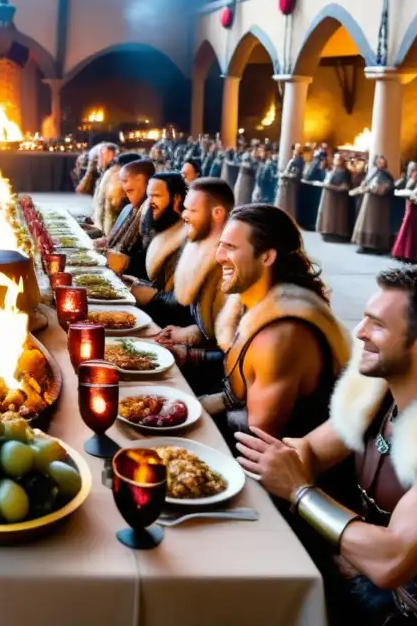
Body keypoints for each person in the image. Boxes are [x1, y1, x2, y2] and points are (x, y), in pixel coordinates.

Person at [235, 266, 417, 626]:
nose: (359, 332)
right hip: (372, 589)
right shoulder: (379, 394)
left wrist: (300, 492)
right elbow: (310, 450)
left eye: (377, 325)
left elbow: (392, 560)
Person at [202, 204, 350, 443]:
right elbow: (244, 379)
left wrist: (189, 416)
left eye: (230, 247)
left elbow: (256, 441)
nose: (218, 257)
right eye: (221, 245)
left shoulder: (281, 336)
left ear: (267, 257)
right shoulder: (253, 305)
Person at [154, 178, 234, 393]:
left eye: (192, 210)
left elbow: (238, 350)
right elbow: (209, 323)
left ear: (217, 213)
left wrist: (192, 355)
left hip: (219, 381)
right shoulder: (201, 246)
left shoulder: (230, 264)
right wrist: (191, 331)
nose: (184, 215)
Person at [128, 171, 189, 313]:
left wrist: (154, 296)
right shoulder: (158, 223)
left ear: (177, 199)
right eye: (149, 196)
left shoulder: (188, 237)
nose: (149, 202)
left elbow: (183, 304)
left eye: (156, 196)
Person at [104, 159, 157, 277]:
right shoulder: (132, 209)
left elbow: (149, 258)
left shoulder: (150, 213)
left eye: (130, 191)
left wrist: (126, 262)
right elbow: (112, 241)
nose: (126, 196)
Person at [351, 154, 396, 254]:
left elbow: (388, 186)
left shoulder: (386, 174)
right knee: (365, 222)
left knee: (376, 224)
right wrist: (364, 185)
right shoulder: (372, 171)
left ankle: (377, 246)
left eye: (382, 162)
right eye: (379, 162)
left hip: (379, 204)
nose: (381, 164)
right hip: (368, 201)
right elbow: (366, 182)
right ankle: (363, 244)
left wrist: (378, 188)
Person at [315, 153, 354, 242]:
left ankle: (335, 233)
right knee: (326, 214)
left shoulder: (345, 172)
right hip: (328, 195)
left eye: (339, 159)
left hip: (338, 199)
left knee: (336, 216)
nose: (336, 160)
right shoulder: (332, 169)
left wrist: (334, 187)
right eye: (335, 158)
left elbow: (346, 186)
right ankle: (326, 231)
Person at [276, 144, 305, 220]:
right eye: (296, 149)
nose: (297, 150)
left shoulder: (299, 161)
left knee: (290, 201)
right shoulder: (294, 159)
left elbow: (295, 174)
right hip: (287, 183)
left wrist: (285, 175)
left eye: (299, 149)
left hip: (292, 184)